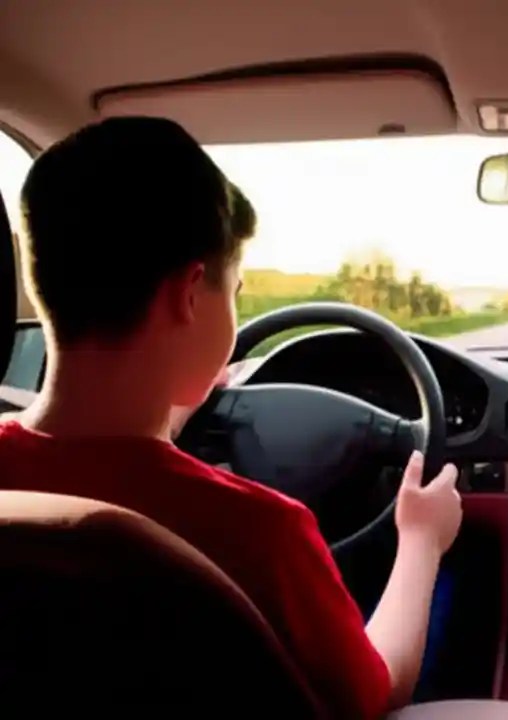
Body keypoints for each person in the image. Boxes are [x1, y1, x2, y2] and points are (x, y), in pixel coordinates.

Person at [0, 117, 460, 719]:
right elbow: (373, 695)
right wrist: (422, 540)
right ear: (190, 294)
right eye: (235, 290)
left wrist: (169, 414)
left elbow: (104, 469)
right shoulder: (261, 531)